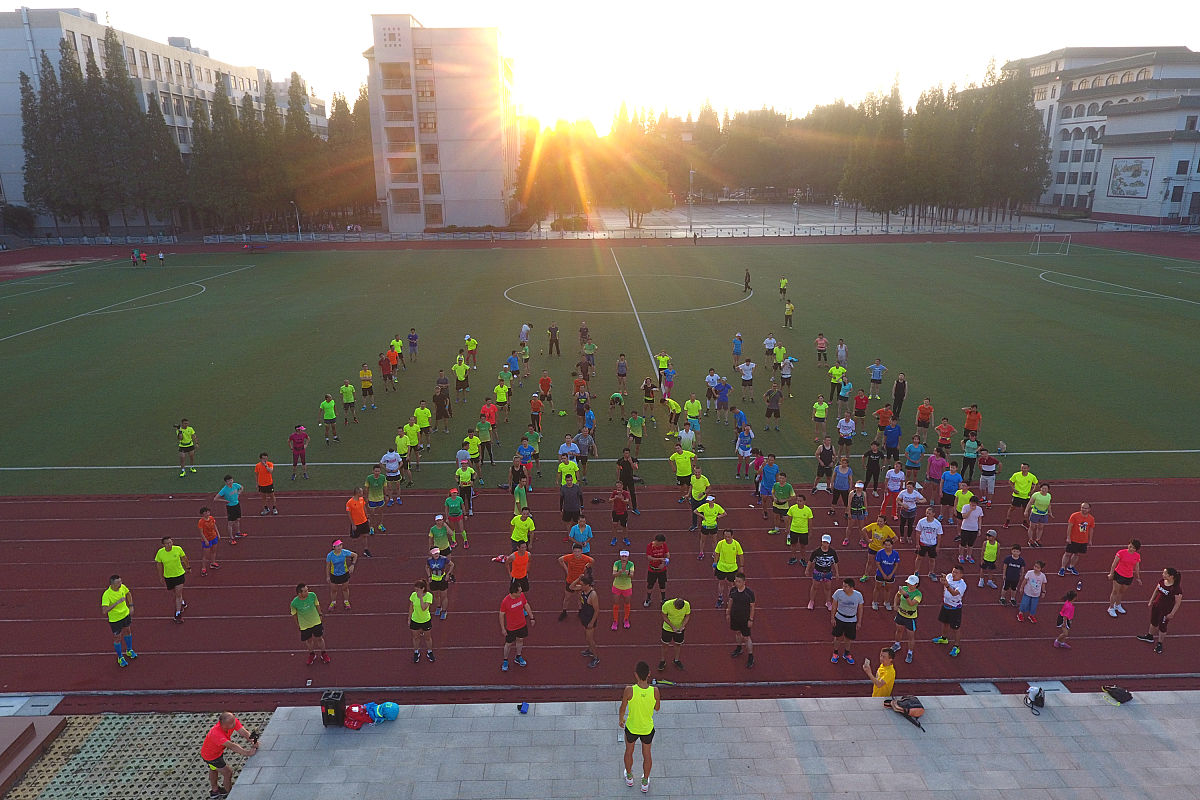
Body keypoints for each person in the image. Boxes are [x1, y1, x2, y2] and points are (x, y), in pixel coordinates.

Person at [619, 661, 661, 793]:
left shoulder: (629, 690)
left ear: (636, 675)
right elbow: (657, 708)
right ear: (649, 674)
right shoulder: (655, 691)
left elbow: (622, 707)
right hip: (647, 729)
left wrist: (621, 719)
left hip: (632, 728)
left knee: (629, 752)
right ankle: (645, 782)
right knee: (647, 755)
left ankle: (629, 777)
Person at [201, 712, 258, 798]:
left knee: (213, 769)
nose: (235, 723)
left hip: (216, 753)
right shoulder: (216, 734)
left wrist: (254, 741)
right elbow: (232, 746)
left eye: (234, 720)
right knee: (228, 773)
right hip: (211, 757)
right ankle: (231, 795)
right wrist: (247, 753)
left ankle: (215, 791)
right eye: (232, 723)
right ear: (224, 725)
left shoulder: (232, 722)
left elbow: (244, 732)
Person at [1138, 568, 1183, 654]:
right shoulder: (1162, 581)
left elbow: (1178, 602)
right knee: (1153, 621)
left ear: (1171, 576)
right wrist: (1151, 600)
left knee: (1162, 626)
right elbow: (1156, 590)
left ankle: (1160, 643)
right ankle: (1150, 636)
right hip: (1156, 606)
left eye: (1165, 573)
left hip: (1166, 610)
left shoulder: (1176, 589)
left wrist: (1172, 613)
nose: (1163, 574)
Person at [152, 535, 190, 624]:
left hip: (179, 575)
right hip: (168, 576)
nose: (169, 544)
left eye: (170, 542)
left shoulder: (178, 549)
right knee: (175, 592)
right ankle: (182, 602)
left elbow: (184, 558)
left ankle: (177, 613)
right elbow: (159, 565)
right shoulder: (160, 553)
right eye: (167, 543)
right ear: (163, 545)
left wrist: (188, 567)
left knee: (178, 595)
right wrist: (161, 576)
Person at [102, 574, 136, 667]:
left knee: (128, 631)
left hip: (125, 615)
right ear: (112, 584)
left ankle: (129, 650)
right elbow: (104, 611)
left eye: (120, 581)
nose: (120, 584)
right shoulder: (107, 595)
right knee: (117, 637)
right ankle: (120, 657)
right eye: (118, 582)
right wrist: (117, 603)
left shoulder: (122, 587)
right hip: (115, 620)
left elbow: (128, 593)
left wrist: (131, 606)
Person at [931, 566, 966, 657]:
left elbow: (954, 593)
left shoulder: (962, 585)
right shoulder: (949, 576)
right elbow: (945, 580)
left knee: (955, 628)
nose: (954, 574)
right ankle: (944, 638)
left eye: (956, 573)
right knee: (945, 623)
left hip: (955, 609)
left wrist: (946, 585)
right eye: (953, 571)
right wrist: (943, 578)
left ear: (961, 575)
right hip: (946, 605)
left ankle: (956, 646)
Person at [290, 583, 329, 665]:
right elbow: (294, 615)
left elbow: (317, 605)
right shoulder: (294, 603)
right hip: (305, 625)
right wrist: (298, 625)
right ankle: (312, 654)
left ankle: (323, 653)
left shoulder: (312, 595)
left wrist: (320, 614)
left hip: (316, 622)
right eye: (305, 591)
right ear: (299, 593)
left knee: (319, 638)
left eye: (307, 590)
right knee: (309, 640)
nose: (307, 592)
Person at [830, 578, 865, 664]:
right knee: (837, 637)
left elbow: (860, 609)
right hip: (839, 618)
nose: (843, 588)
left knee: (848, 638)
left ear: (851, 588)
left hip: (851, 620)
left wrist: (859, 622)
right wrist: (832, 618)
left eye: (846, 586)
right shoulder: (838, 593)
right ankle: (835, 653)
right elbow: (834, 606)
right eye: (843, 586)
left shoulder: (858, 595)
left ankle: (847, 653)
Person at [499, 584, 533, 671]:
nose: (521, 593)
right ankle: (505, 660)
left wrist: (531, 617)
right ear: (514, 593)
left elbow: (526, 604)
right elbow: (501, 615)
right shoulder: (505, 601)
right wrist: (503, 628)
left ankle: (518, 656)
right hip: (511, 628)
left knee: (520, 640)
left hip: (522, 625)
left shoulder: (521, 596)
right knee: (508, 644)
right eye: (519, 592)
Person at [890, 575, 922, 663]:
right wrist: (895, 605)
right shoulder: (904, 588)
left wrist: (905, 595)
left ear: (916, 584)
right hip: (900, 614)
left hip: (910, 618)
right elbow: (897, 596)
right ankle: (897, 644)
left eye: (911, 584)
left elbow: (911, 604)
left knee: (910, 636)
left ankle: (910, 652)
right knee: (899, 630)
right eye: (908, 583)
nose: (909, 585)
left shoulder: (918, 594)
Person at [559, 543, 595, 620]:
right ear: (573, 551)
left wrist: (585, 567)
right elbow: (560, 559)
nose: (577, 553)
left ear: (581, 551)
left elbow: (592, 561)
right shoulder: (569, 557)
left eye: (578, 552)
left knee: (579, 597)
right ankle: (564, 611)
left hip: (580, 581)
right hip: (570, 580)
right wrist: (566, 570)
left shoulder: (585, 558)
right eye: (575, 552)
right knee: (567, 597)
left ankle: (580, 611)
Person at [727, 573, 756, 668]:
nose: (737, 583)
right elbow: (730, 601)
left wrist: (751, 619)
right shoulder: (733, 590)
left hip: (745, 618)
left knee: (746, 637)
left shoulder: (749, 593)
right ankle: (739, 648)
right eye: (736, 581)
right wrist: (728, 613)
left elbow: (752, 607)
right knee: (737, 633)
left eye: (739, 581)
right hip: (735, 617)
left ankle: (750, 656)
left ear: (744, 582)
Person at [1107, 539, 1143, 617]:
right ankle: (1111, 608)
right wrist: (1111, 573)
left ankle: (1118, 605)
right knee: (1115, 591)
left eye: (1133, 547)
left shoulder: (1137, 556)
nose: (1131, 548)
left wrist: (1138, 578)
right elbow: (1114, 564)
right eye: (1130, 546)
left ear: (1136, 549)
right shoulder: (1121, 552)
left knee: (1121, 592)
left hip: (1129, 576)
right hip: (1119, 574)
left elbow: (1136, 567)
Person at [572, 573, 601, 668]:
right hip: (584, 615)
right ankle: (590, 650)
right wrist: (578, 578)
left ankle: (596, 658)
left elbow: (597, 610)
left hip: (589, 618)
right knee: (586, 637)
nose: (581, 586)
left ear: (588, 585)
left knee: (590, 639)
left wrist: (592, 622)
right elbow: (571, 587)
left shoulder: (593, 595)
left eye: (583, 585)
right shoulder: (583, 589)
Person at [862, 516, 898, 591]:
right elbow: (863, 530)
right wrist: (868, 539)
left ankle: (883, 579)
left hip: (882, 550)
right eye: (878, 521)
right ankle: (866, 575)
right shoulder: (873, 525)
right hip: (872, 547)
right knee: (870, 562)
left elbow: (895, 538)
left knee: (882, 564)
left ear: (885, 522)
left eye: (881, 521)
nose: (879, 522)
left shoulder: (887, 529)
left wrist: (888, 545)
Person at [1060, 502, 1095, 577]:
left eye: (1085, 508)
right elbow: (1070, 526)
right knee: (1067, 553)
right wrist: (1068, 537)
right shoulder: (1074, 516)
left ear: (1089, 509)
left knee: (1077, 554)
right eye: (1082, 508)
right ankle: (1062, 568)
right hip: (1073, 539)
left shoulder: (1091, 518)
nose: (1083, 509)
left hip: (1083, 540)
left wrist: (1090, 540)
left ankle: (1071, 567)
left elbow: (1091, 529)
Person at [806, 534, 839, 610]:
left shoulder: (832, 552)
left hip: (828, 572)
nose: (825, 544)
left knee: (828, 587)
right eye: (824, 542)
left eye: (827, 543)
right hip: (818, 571)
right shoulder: (816, 552)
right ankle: (811, 601)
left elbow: (835, 563)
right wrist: (807, 569)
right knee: (815, 587)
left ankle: (828, 602)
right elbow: (810, 561)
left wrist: (837, 573)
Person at [712, 527, 742, 607]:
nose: (727, 538)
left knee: (730, 584)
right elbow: (717, 554)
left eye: (728, 536)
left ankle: (730, 599)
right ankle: (720, 598)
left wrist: (741, 566)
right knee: (721, 583)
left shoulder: (736, 544)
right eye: (725, 536)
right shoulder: (720, 543)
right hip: (721, 567)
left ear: (732, 536)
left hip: (732, 568)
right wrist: (714, 564)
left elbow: (740, 555)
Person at [1004, 463, 1039, 529]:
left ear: (1028, 469)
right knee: (1012, 508)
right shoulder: (1016, 475)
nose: (1023, 469)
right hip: (1017, 496)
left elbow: (1036, 484)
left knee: (1025, 510)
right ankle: (1007, 521)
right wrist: (1013, 489)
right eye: (1022, 468)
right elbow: (1010, 481)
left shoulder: (1032, 476)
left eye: (1025, 468)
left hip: (1026, 496)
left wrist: (1032, 491)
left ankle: (1024, 522)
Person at [659, 597, 690, 671]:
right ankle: (663, 660)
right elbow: (664, 616)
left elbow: (687, 616)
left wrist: (682, 626)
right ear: (674, 604)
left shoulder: (687, 605)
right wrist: (672, 626)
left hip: (679, 629)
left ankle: (676, 660)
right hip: (667, 628)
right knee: (665, 644)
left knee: (678, 644)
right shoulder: (666, 605)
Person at [408, 578, 435, 663]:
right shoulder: (413, 595)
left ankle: (429, 652)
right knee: (416, 637)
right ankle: (416, 652)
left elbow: (424, 608)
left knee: (427, 638)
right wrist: (409, 618)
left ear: (423, 588)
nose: (416, 591)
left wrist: (421, 598)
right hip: (415, 620)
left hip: (425, 620)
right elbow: (411, 607)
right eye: (415, 589)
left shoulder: (429, 596)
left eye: (417, 589)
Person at [326, 539, 357, 610]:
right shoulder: (330, 555)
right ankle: (333, 602)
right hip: (334, 575)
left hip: (344, 573)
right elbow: (328, 566)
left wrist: (352, 565)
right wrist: (328, 576)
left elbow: (355, 555)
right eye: (337, 546)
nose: (340, 547)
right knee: (334, 590)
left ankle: (346, 602)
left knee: (345, 588)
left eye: (340, 545)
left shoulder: (344, 552)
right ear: (333, 547)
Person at [915, 507, 944, 581]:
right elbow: (917, 533)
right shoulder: (921, 521)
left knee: (932, 559)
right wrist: (917, 544)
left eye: (929, 513)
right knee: (919, 558)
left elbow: (939, 536)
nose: (927, 515)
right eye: (927, 513)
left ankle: (931, 572)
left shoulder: (937, 524)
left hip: (932, 544)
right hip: (923, 543)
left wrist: (938, 546)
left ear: (933, 514)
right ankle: (916, 571)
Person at [213, 475, 245, 542]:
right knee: (230, 523)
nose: (230, 482)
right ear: (226, 482)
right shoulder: (224, 490)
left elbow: (241, 487)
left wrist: (239, 492)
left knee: (237, 519)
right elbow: (215, 498)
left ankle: (238, 533)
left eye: (231, 480)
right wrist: (225, 501)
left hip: (237, 505)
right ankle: (231, 538)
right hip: (230, 507)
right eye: (228, 481)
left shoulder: (235, 485)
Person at [786, 494, 813, 567]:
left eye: (800, 501)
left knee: (803, 546)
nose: (798, 502)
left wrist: (810, 532)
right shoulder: (792, 508)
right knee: (793, 544)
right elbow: (789, 519)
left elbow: (810, 522)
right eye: (797, 500)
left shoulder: (808, 510)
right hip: (794, 530)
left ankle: (803, 559)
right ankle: (793, 557)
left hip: (803, 531)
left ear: (804, 502)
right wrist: (788, 528)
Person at [346, 487, 372, 558]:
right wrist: (353, 524)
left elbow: (364, 508)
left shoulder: (361, 499)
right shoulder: (349, 503)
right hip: (356, 523)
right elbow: (349, 514)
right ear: (357, 493)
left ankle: (366, 550)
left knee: (365, 536)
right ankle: (354, 553)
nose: (363, 493)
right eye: (361, 492)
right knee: (355, 539)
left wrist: (367, 517)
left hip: (364, 521)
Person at [612, 550, 635, 630]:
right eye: (622, 556)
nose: (624, 558)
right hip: (617, 586)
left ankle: (626, 619)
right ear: (620, 557)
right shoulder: (616, 563)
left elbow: (632, 575)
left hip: (627, 587)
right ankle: (615, 621)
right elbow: (614, 574)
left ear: (628, 557)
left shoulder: (631, 564)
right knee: (616, 604)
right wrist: (620, 572)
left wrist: (627, 573)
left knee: (627, 603)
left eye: (625, 556)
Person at [958, 496, 985, 566]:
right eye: (972, 503)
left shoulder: (979, 509)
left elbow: (980, 519)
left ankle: (969, 556)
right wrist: (970, 510)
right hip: (965, 528)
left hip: (974, 529)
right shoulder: (965, 507)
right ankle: (961, 555)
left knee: (971, 544)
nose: (973, 505)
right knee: (963, 543)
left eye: (974, 504)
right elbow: (964, 516)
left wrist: (979, 529)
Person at [197, 507, 220, 576]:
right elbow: (201, 532)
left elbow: (214, 526)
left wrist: (218, 533)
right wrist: (205, 540)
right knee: (205, 555)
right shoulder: (201, 522)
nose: (207, 513)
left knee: (214, 551)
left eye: (208, 512)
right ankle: (203, 568)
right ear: (203, 514)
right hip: (207, 539)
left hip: (214, 537)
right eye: (206, 512)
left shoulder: (211, 518)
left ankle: (213, 563)